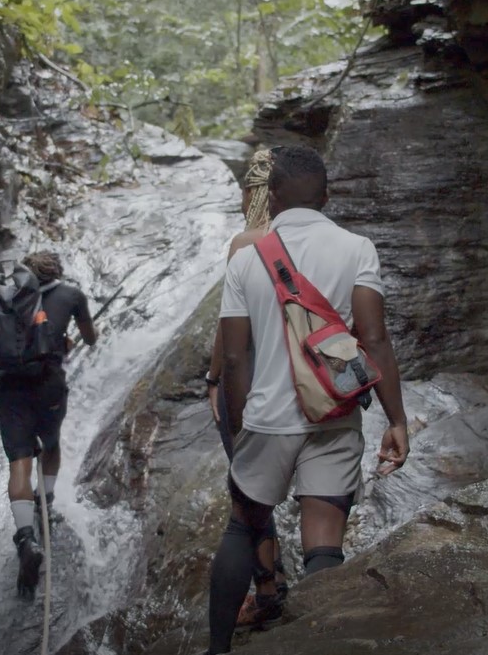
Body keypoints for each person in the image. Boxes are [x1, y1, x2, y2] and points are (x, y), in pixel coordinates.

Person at [206, 146, 409, 654]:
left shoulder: (248, 257)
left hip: (268, 420)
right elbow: (375, 338)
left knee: (241, 527)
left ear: (270, 197)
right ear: (327, 195)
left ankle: (216, 650)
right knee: (325, 541)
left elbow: (233, 359)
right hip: (334, 414)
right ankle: (322, 644)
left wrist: (239, 427)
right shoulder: (357, 247)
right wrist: (397, 420)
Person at [203, 149, 288, 627]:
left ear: (251, 195)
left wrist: (214, 379)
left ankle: (267, 589)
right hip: (301, 381)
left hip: (253, 381)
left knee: (249, 491)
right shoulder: (310, 239)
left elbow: (227, 328)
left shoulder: (245, 243)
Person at [0, 251, 98, 598]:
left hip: (12, 388)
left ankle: (26, 537)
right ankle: (47, 500)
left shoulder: (9, 296)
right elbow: (92, 337)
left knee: (19, 463)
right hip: (49, 386)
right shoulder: (71, 295)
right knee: (50, 446)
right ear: (59, 272)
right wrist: (67, 338)